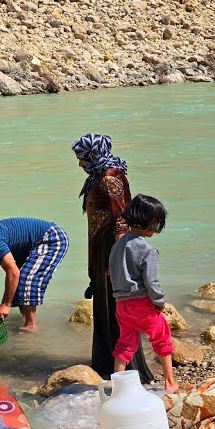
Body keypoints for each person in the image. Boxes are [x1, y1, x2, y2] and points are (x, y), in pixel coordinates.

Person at [73, 133, 154, 381]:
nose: (79, 163)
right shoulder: (99, 176)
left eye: (82, 158)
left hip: (111, 246)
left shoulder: (110, 178)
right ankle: (107, 364)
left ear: (93, 155)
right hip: (101, 246)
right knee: (104, 302)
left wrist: (117, 260)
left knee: (115, 305)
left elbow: (122, 221)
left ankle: (126, 371)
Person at [109, 195, 179, 392]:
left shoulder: (117, 246)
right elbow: (151, 282)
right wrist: (160, 301)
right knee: (162, 338)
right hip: (143, 303)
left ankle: (118, 387)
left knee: (125, 344)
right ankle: (170, 382)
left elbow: (111, 272)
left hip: (121, 304)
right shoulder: (148, 250)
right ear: (151, 224)